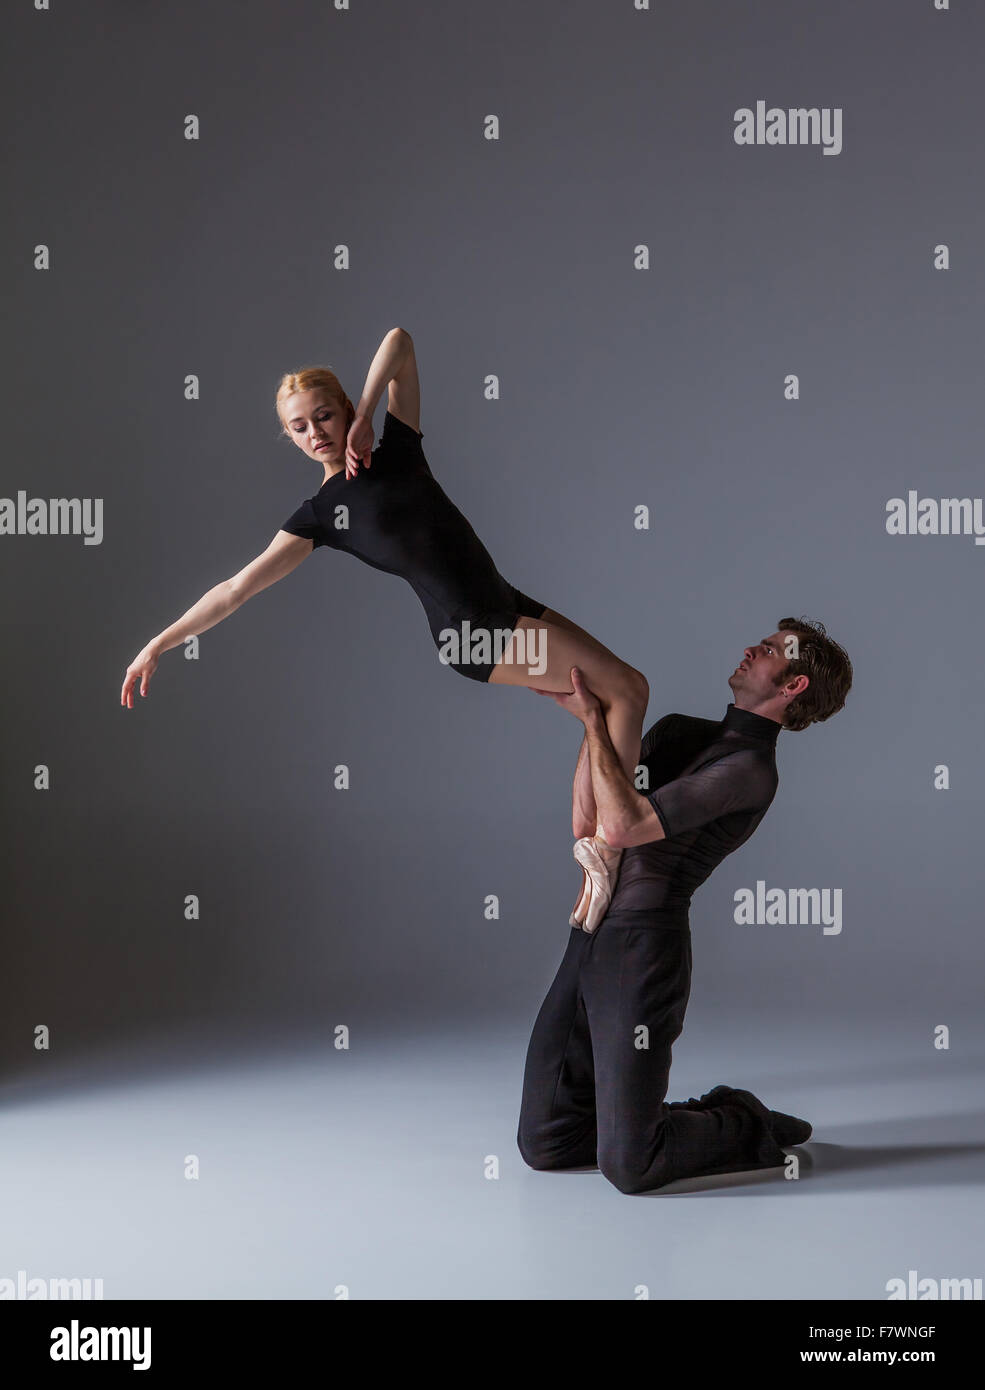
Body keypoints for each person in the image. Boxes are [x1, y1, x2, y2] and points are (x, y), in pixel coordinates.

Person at [119, 327, 640, 924]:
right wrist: (158, 643)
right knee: (627, 688)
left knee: (605, 704)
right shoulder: (321, 517)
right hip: (470, 632)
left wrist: (369, 414)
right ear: (290, 437)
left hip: (506, 603)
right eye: (300, 426)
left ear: (343, 408)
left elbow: (401, 342)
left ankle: (596, 840)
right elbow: (236, 589)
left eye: (325, 415)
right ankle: (609, 847)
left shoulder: (398, 448)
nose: (316, 432)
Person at [518, 617, 853, 1195]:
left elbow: (623, 828)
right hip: (592, 930)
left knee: (634, 1167)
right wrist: (589, 726)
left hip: (644, 947)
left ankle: (743, 1119)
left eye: (771, 650)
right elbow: (590, 821)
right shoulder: (677, 733)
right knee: (548, 1142)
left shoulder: (750, 771)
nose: (751, 648)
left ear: (793, 686)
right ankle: (637, 1117)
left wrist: (600, 720)